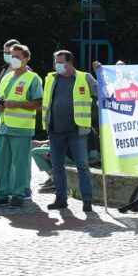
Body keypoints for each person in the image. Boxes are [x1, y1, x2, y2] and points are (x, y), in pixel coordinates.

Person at [0, 43, 42, 208]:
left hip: (22, 127)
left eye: (18, 56)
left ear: (26, 59)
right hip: (3, 126)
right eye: (12, 56)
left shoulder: (33, 78)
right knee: (2, 163)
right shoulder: (6, 77)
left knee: (20, 164)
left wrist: (17, 104)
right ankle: (1, 194)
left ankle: (18, 194)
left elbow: (38, 102)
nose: (14, 59)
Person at [42, 50, 98, 214]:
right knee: (57, 166)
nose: (57, 65)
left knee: (82, 166)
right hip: (55, 130)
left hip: (76, 130)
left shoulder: (84, 77)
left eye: (60, 62)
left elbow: (101, 92)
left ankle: (87, 200)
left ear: (70, 63)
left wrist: (100, 74)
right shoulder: (51, 78)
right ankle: (61, 199)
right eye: (56, 62)